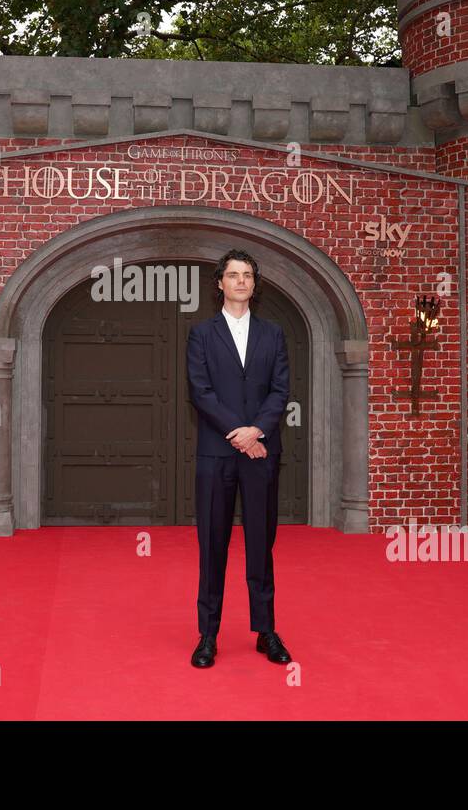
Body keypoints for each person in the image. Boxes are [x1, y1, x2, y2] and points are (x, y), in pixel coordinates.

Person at [185, 249, 291, 668]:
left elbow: (280, 389)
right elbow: (201, 391)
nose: (241, 281)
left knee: (261, 544)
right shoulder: (202, 335)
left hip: (262, 451)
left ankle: (266, 631)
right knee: (213, 543)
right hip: (217, 452)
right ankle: (207, 636)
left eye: (248, 275)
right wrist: (241, 434)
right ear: (220, 283)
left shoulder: (274, 334)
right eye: (233, 275)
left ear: (254, 283)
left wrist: (257, 430)